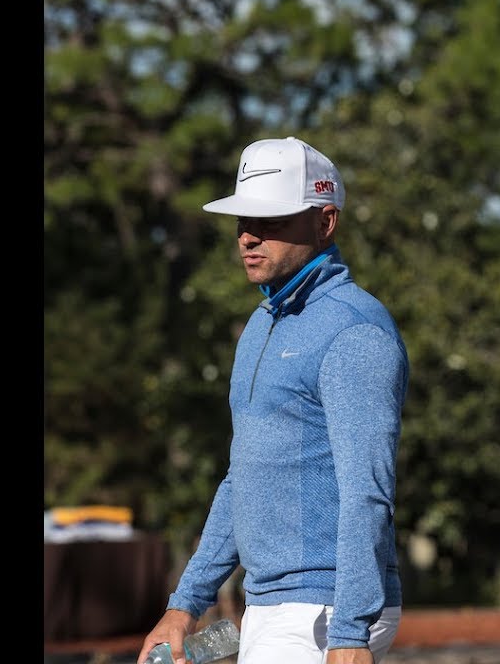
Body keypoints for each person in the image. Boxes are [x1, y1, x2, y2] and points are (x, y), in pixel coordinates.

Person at [137, 137, 408, 664]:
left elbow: (367, 491)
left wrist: (349, 633)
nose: (248, 236)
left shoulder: (355, 331)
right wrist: (185, 604)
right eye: (242, 220)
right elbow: (244, 476)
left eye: (273, 221)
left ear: (325, 222)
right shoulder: (262, 326)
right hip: (270, 603)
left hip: (325, 608)